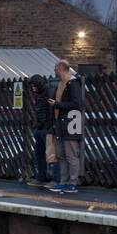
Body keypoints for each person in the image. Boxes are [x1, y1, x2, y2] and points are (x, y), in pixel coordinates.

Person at [50, 60, 84, 193]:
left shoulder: (73, 84)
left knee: (71, 155)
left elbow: (76, 103)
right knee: (61, 155)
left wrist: (57, 104)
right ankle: (63, 182)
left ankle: (72, 183)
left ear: (62, 69)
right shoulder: (61, 84)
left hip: (70, 124)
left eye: (56, 70)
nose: (55, 73)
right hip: (60, 123)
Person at [27, 75, 55, 186]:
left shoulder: (48, 93)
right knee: (39, 154)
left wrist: (48, 126)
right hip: (39, 128)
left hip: (45, 128)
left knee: (51, 155)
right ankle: (41, 178)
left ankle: (54, 179)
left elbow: (51, 111)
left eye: (34, 85)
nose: (33, 88)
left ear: (38, 84)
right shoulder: (39, 94)